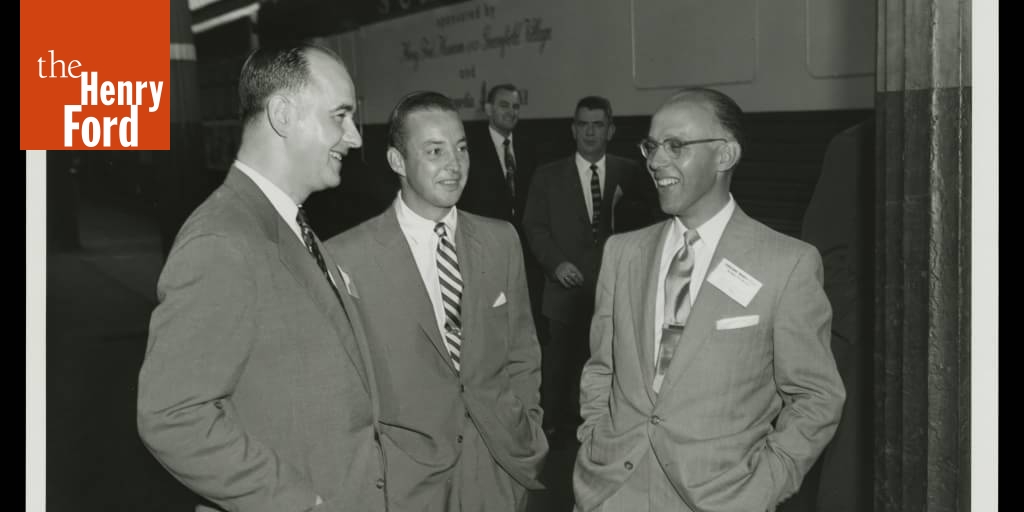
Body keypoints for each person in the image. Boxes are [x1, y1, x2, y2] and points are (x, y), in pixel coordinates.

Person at [136, 43, 386, 512]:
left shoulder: (288, 224)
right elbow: (171, 415)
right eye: (340, 116)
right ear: (283, 115)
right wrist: (299, 503)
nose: (353, 137)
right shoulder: (222, 241)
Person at [572, 87, 846, 512]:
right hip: (611, 491)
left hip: (722, 499)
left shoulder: (787, 264)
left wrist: (766, 484)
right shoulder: (621, 253)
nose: (655, 161)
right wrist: (594, 439)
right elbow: (601, 368)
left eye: (675, 146)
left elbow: (817, 397)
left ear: (725, 155)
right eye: (652, 146)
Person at [324, 91, 548, 512]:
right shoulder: (347, 257)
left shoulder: (500, 240)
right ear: (397, 161)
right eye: (434, 151)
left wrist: (526, 428)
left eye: (461, 148)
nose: (454, 164)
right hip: (406, 479)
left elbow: (522, 350)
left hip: (498, 465)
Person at [522, 96, 656, 446]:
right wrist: (556, 263)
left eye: (598, 125)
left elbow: (650, 223)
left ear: (610, 130)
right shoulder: (548, 175)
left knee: (607, 363)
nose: (590, 132)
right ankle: (552, 431)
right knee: (559, 366)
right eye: (583, 124)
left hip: (613, 292)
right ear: (573, 129)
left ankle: (599, 429)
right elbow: (534, 227)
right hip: (564, 292)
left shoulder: (631, 171)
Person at [457, 84, 545, 330]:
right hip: (483, 249)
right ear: (488, 109)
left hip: (524, 251)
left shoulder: (529, 146)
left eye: (516, 106)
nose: (511, 111)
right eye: (504, 105)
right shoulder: (469, 148)